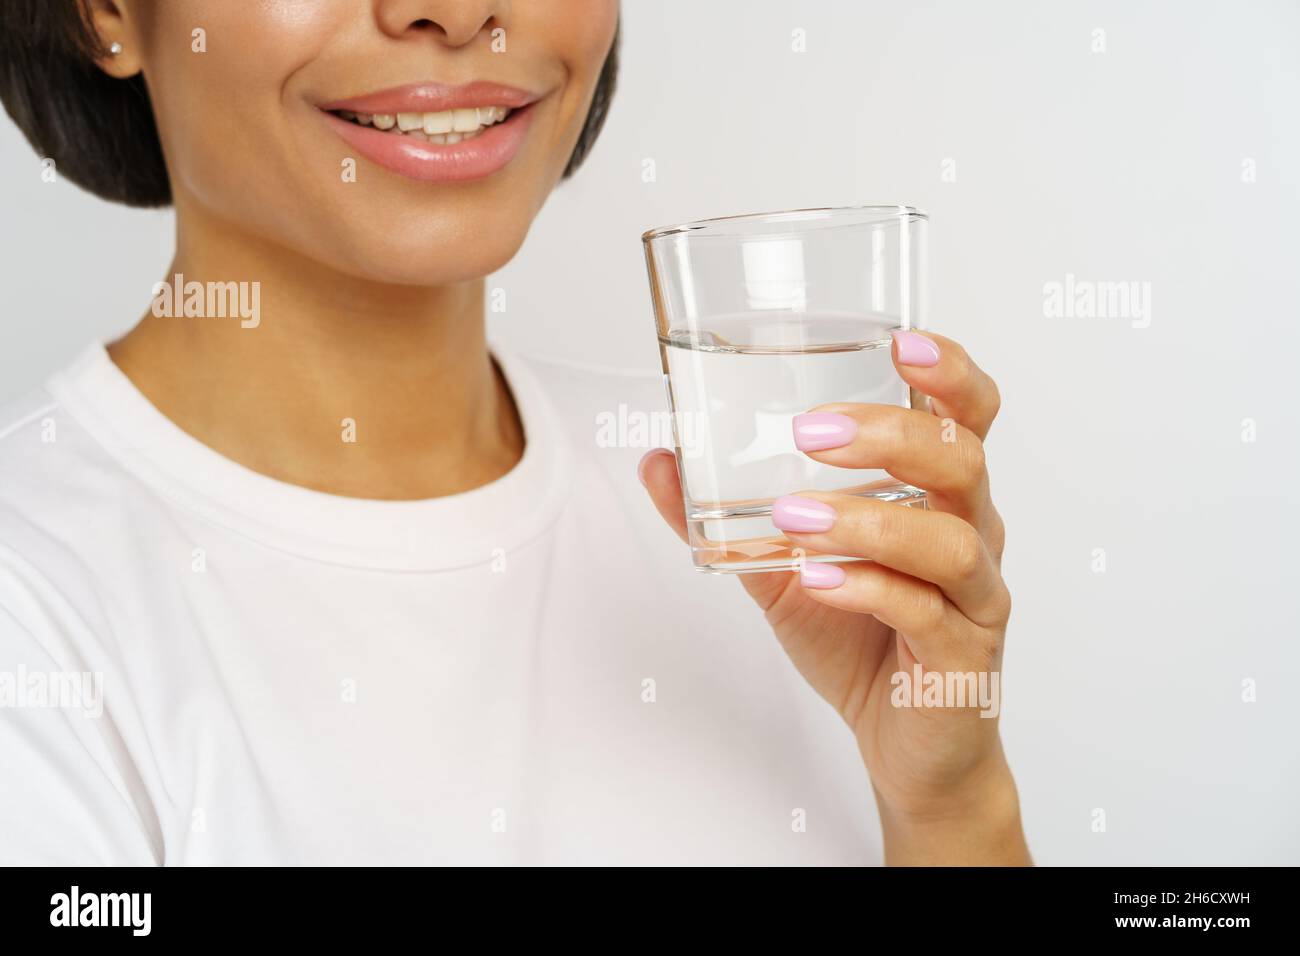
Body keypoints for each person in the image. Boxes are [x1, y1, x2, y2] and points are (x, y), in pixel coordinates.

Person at [0, 0, 1028, 865]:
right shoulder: (35, 610)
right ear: (107, 12)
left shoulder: (763, 516)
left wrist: (949, 803)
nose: (449, 9)